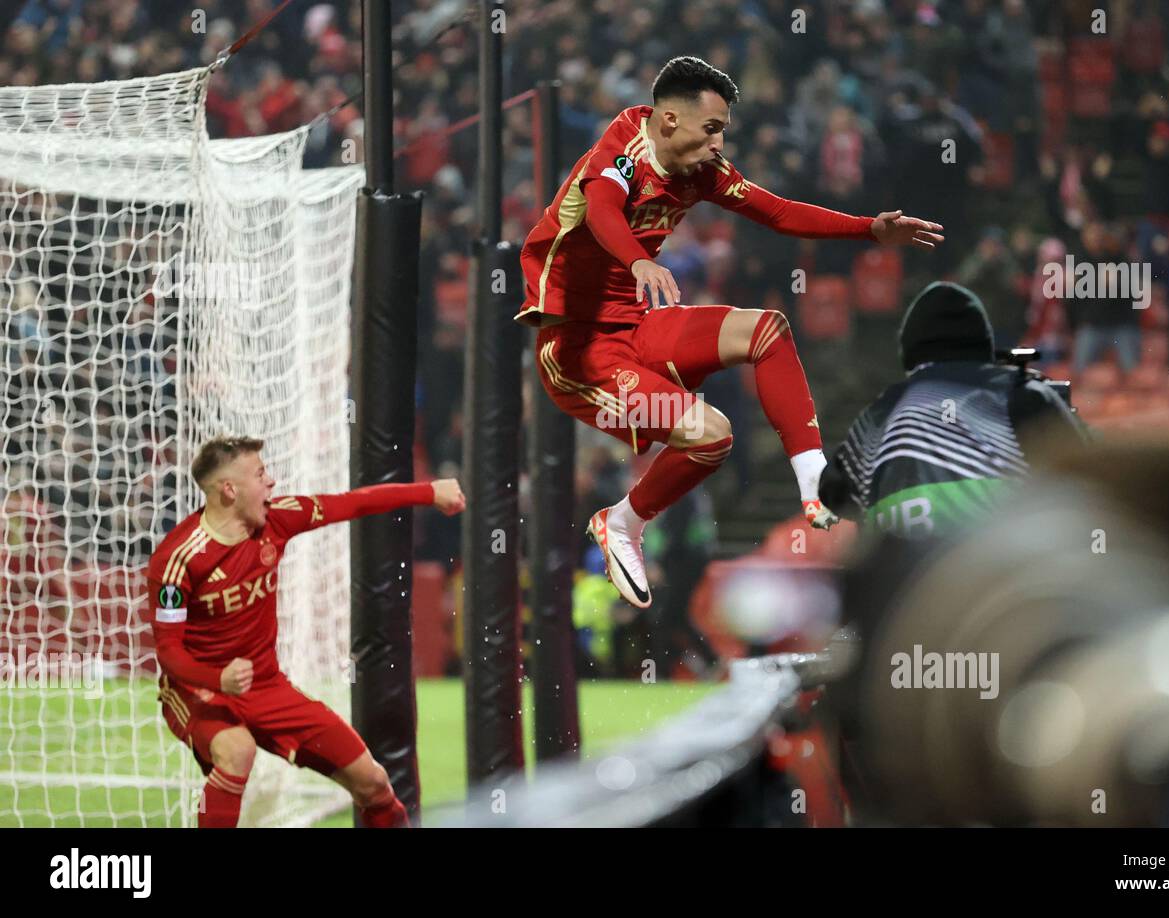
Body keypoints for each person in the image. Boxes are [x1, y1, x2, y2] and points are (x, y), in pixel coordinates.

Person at [515, 55, 943, 609]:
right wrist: (638, 261)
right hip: (576, 351)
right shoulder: (623, 147)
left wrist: (870, 230)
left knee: (767, 329)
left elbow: (780, 212)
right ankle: (623, 523)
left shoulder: (703, 172)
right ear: (669, 120)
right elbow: (601, 210)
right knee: (712, 435)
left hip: (637, 324)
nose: (719, 143)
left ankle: (813, 483)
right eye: (711, 128)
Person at [145, 436, 466, 827]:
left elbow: (351, 502)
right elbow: (169, 653)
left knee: (373, 781)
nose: (272, 483)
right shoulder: (178, 560)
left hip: (265, 687)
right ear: (229, 489)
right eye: (260, 474)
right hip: (198, 691)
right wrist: (218, 678)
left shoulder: (278, 519)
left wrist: (429, 491)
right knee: (238, 750)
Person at [819, 281, 1085, 537]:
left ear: (910, 348)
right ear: (982, 344)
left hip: (905, 578)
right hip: (1007, 572)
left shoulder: (878, 416)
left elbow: (832, 492)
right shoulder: (1018, 393)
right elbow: (1086, 476)